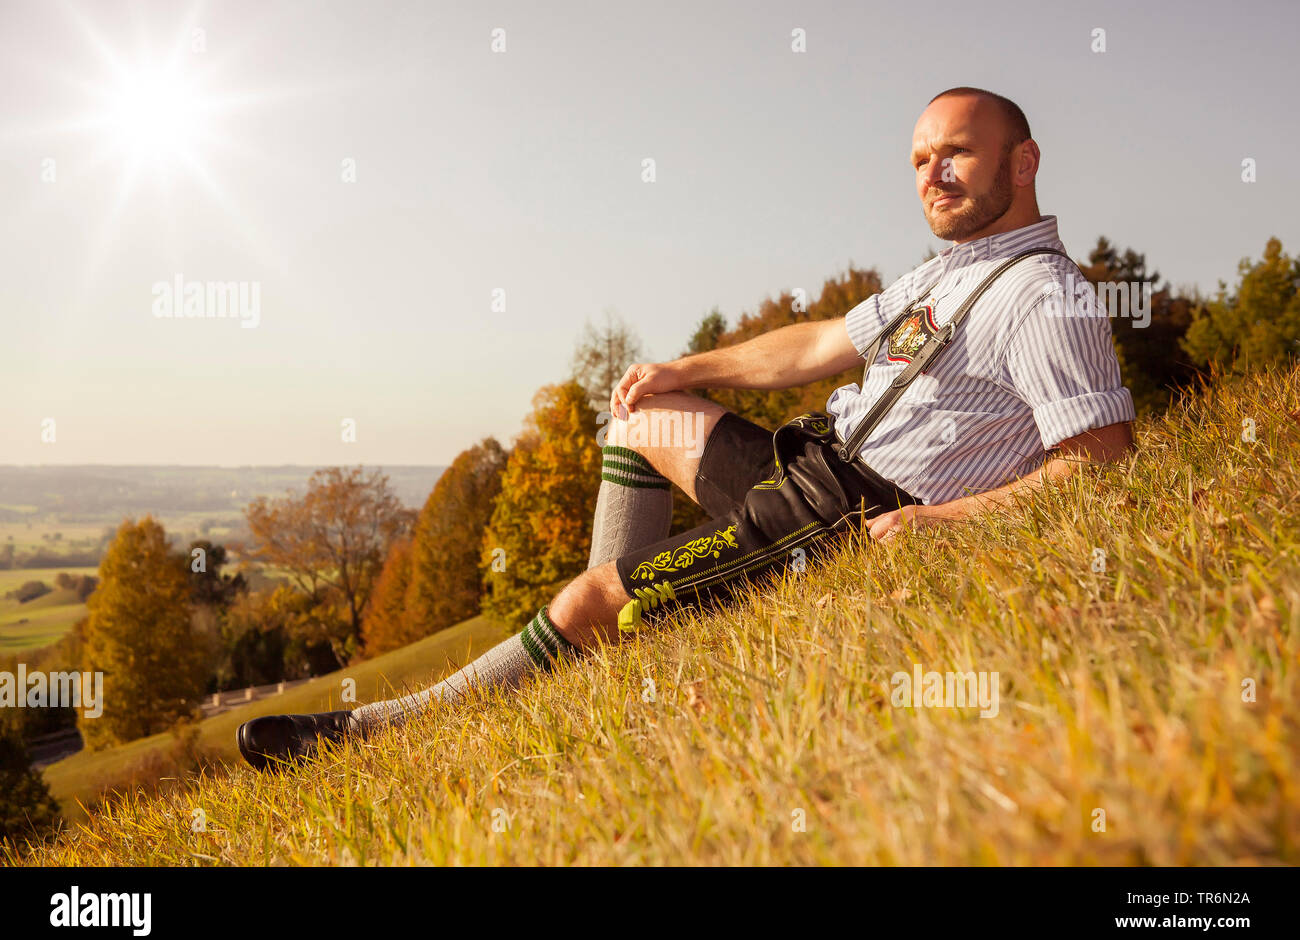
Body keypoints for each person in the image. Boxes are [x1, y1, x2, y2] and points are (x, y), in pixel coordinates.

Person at [237, 86, 1135, 771]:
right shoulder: (943, 276)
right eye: (918, 160)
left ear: (1023, 163)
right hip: (814, 462)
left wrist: (936, 524)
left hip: (852, 514)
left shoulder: (1043, 295)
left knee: (588, 601)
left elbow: (1099, 464)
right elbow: (818, 344)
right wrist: (684, 370)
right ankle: (606, 636)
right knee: (640, 421)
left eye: (958, 155)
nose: (932, 176)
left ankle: (362, 735)